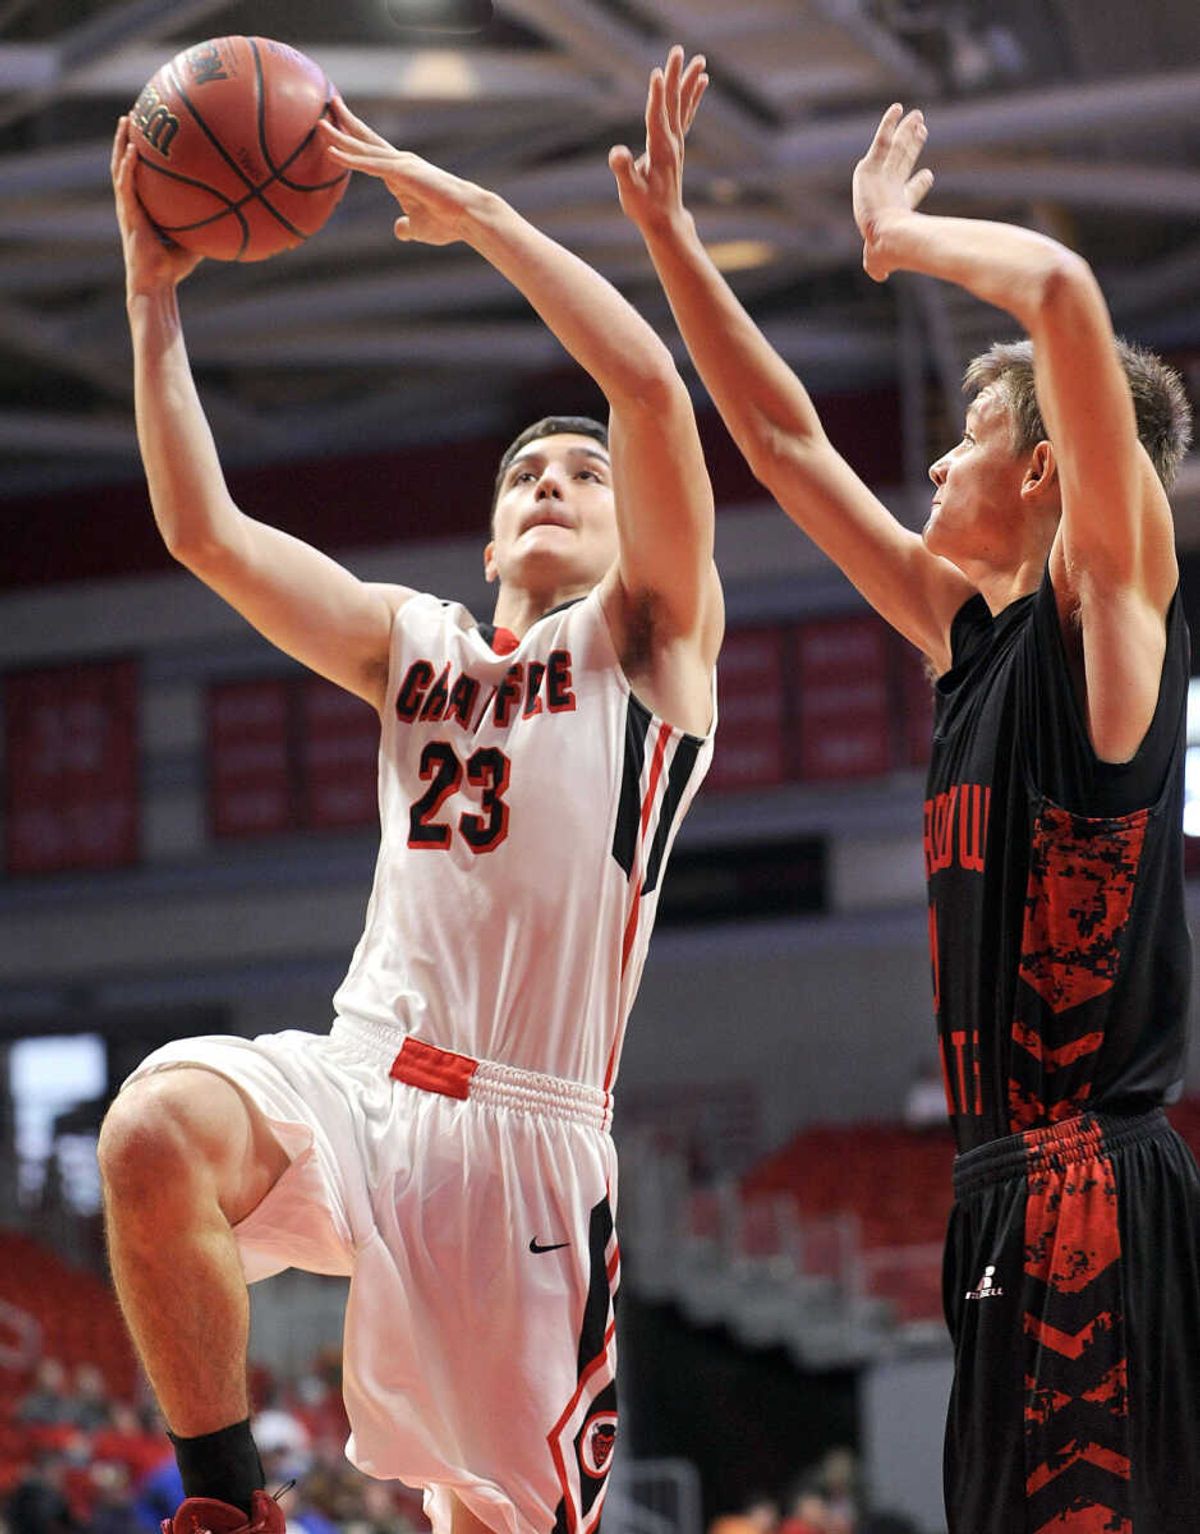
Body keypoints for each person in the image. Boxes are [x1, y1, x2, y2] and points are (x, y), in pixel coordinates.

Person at [99, 92, 722, 1534]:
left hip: (530, 1144)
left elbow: (653, 394)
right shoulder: (415, 644)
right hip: (367, 1078)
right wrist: (151, 293)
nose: (553, 483)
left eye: (583, 475)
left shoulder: (648, 645)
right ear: (491, 536)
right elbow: (204, 533)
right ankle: (230, 1502)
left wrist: (488, 217)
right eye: (525, 475)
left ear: (636, 528)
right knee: (152, 1133)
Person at [613, 46, 1198, 1534]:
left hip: (1096, 1193)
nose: (933, 461)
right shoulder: (969, 640)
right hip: (996, 1192)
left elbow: (1063, 293)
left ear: (1054, 472)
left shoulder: (1110, 624)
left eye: (968, 440)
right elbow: (784, 443)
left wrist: (900, 238)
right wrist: (675, 239)